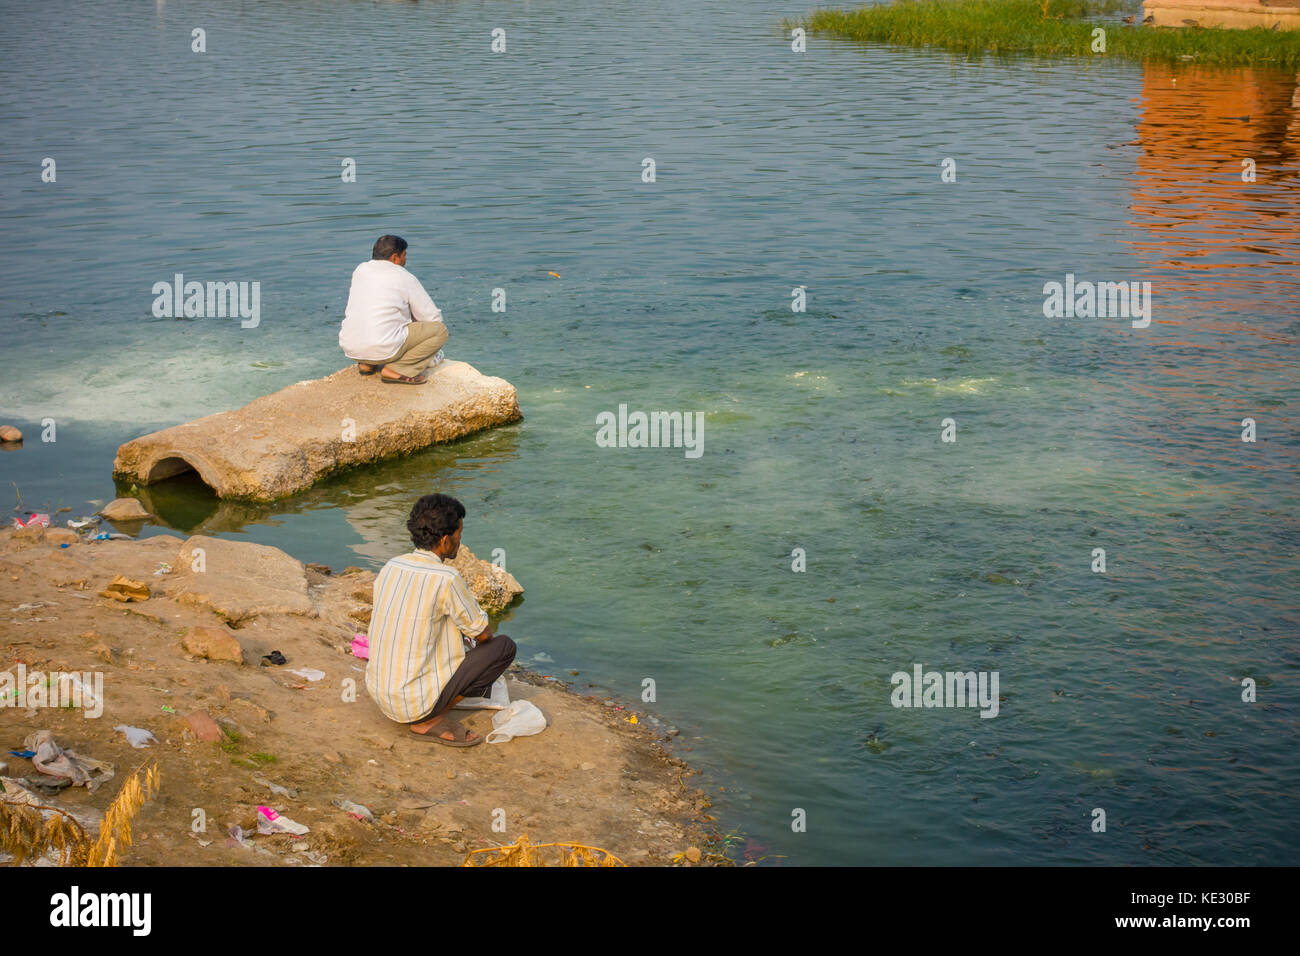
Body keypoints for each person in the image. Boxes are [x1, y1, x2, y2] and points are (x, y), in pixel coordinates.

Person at [365, 493, 517, 747]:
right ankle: (429, 718)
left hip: (381, 694)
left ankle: (428, 702)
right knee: (502, 647)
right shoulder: (446, 577)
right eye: (459, 533)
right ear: (445, 540)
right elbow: (482, 633)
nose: (460, 539)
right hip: (412, 705)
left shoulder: (392, 565)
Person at [339, 235, 448, 385]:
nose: (405, 260)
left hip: (352, 346)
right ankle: (398, 370)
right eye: (404, 255)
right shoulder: (403, 276)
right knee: (439, 331)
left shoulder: (360, 270)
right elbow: (432, 318)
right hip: (383, 348)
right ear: (395, 257)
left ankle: (367, 364)